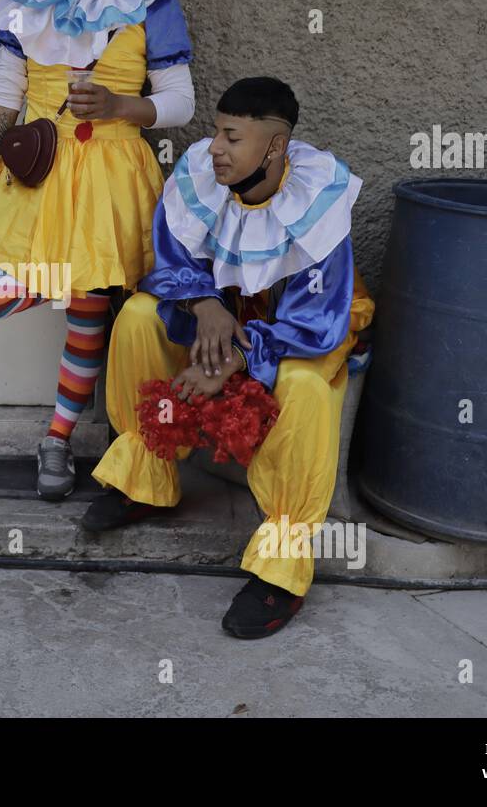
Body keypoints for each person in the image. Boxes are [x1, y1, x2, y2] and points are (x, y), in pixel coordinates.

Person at [84, 77, 375, 639]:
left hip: (307, 329)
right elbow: (168, 258)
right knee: (141, 317)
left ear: (275, 147)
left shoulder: (318, 201)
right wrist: (204, 305)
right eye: (217, 130)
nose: (215, 146)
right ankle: (144, 477)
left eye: (232, 137)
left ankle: (282, 567)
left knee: (306, 388)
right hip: (226, 319)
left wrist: (233, 361)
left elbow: (315, 321)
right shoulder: (201, 176)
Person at [0, 0, 195, 500]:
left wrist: (120, 106)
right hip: (39, 174)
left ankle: (57, 442)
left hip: (113, 174)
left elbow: (182, 102)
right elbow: (4, 92)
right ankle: (84, 416)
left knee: (91, 311)